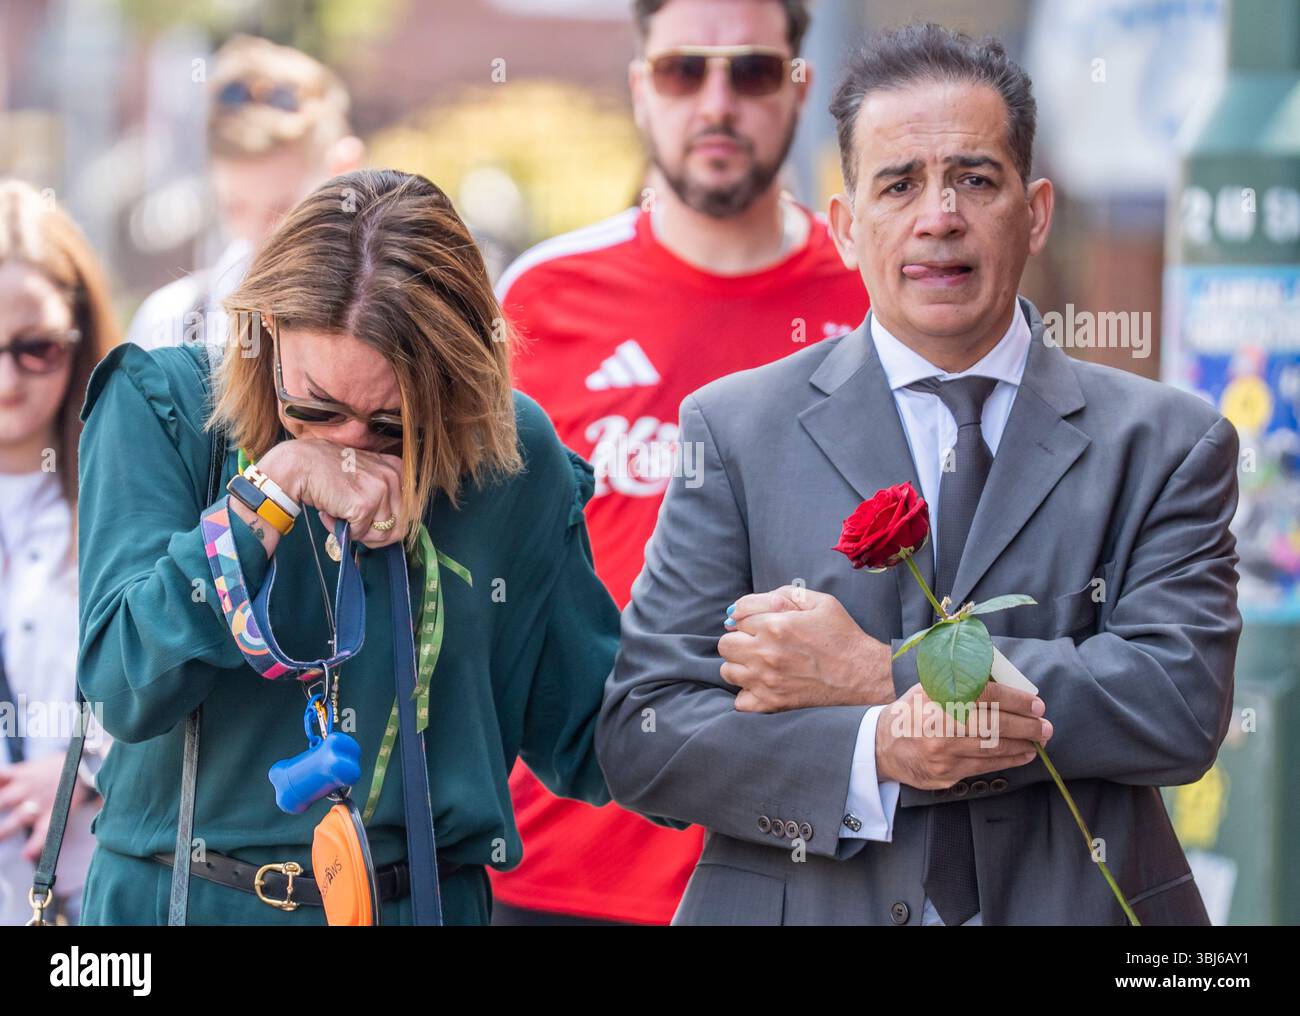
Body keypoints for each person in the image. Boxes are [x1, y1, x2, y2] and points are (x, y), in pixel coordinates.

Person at [597, 23, 1240, 925]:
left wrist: (882, 673)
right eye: (900, 184)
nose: (939, 215)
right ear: (848, 228)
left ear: (1036, 210)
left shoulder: (1169, 441)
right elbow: (646, 733)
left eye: (975, 178)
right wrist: (874, 752)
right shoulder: (734, 430)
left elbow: (1175, 704)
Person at [76, 168, 619, 925]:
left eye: (392, 427)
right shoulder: (167, 410)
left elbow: (593, 728)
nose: (350, 451)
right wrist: (273, 488)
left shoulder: (507, 452)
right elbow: (122, 686)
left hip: (413, 902)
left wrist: (769, 694)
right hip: (181, 903)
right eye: (315, 408)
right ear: (264, 337)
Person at [490, 0, 868, 927]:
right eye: (682, 70)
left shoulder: (873, 299)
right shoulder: (540, 297)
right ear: (639, 88)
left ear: (799, 86)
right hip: (554, 867)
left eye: (751, 71)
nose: (716, 100)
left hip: (803, 863)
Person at [0, 179, 116, 924]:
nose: (7, 379)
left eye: (34, 348)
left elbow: (186, 683)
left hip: (96, 903)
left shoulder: (128, 497)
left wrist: (88, 766)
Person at [128, 34, 364, 355]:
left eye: (282, 210)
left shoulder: (392, 318)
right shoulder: (168, 322)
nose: (258, 236)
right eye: (234, 208)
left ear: (344, 170)